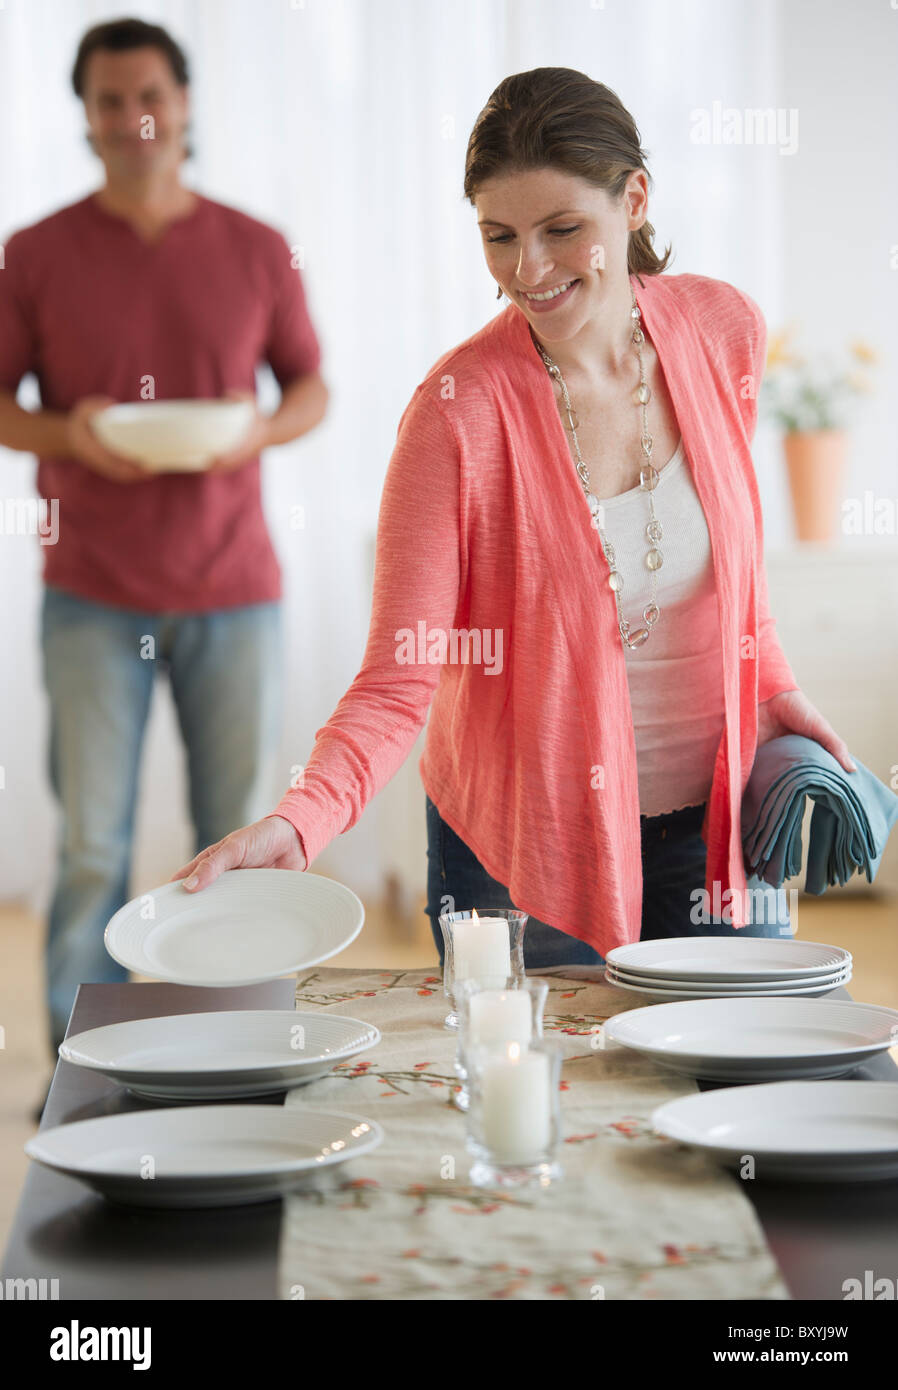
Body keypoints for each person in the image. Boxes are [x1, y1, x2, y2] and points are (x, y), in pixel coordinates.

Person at [172, 67, 853, 967]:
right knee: (548, 1101)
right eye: (499, 236)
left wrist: (775, 690)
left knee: (740, 1081)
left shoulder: (723, 329)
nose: (527, 271)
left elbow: (733, 569)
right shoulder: (456, 413)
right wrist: (302, 823)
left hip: (719, 818)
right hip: (525, 844)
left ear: (634, 201)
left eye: (562, 230)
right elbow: (397, 680)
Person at [0, 18, 327, 1099]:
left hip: (235, 586)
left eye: (151, 93)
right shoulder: (33, 253)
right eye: (107, 98)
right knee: (91, 842)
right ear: (84, 115)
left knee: (230, 837)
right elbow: (3, 405)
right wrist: (73, 433)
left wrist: (251, 432)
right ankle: (81, 1064)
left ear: (185, 104)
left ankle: (228, 1053)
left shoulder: (255, 243)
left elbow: (309, 388)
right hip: (89, 589)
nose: (133, 117)